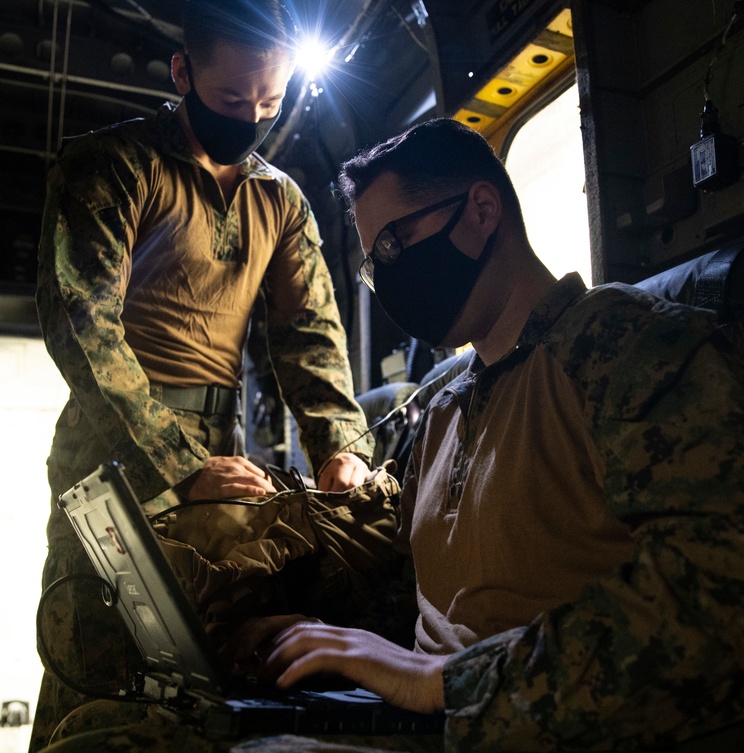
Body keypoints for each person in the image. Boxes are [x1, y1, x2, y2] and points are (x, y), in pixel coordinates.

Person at [36, 118, 744, 752]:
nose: (390, 275)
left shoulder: (626, 350)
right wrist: (275, 625)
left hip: (511, 717)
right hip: (416, 710)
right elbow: (406, 589)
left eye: (399, 242)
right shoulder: (443, 409)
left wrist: (446, 680)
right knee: (95, 727)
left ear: (481, 211)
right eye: (377, 262)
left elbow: (715, 593)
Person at [31, 0, 375, 748]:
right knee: (93, 666)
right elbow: (81, 323)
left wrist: (340, 448)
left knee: (196, 682)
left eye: (271, 103)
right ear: (183, 72)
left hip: (219, 458)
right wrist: (180, 464)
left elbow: (308, 337)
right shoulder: (111, 165)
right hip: (114, 455)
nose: (250, 117)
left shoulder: (281, 201)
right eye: (230, 100)